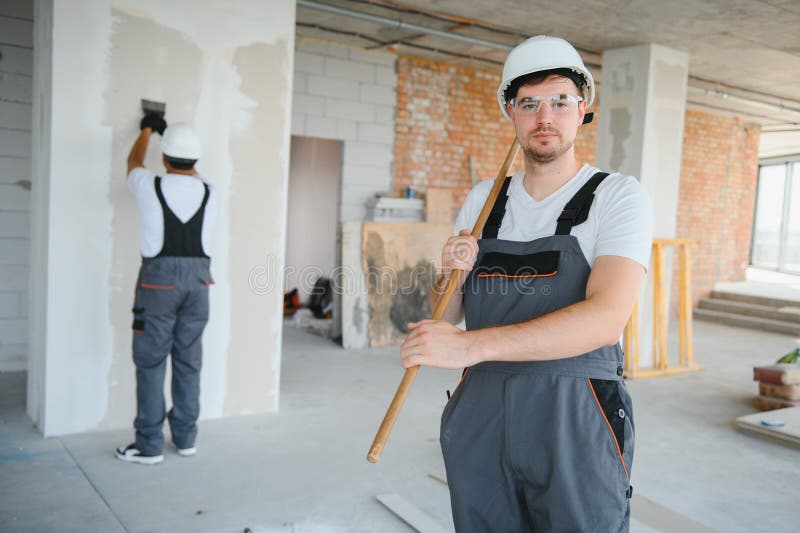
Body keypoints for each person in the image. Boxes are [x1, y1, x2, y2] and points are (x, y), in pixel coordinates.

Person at [400, 35, 653, 531]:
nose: (545, 117)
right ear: (511, 113)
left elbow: (606, 319)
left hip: (573, 416)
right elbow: (444, 315)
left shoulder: (616, 196)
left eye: (560, 101)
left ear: (583, 108)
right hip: (482, 413)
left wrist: (470, 346)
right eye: (529, 103)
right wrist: (451, 272)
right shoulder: (483, 200)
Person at [116, 112, 217, 465]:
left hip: (159, 284)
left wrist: (148, 129)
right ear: (197, 158)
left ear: (163, 157)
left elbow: (132, 162)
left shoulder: (149, 184)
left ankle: (148, 446)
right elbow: (192, 173)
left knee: (151, 362)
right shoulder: (210, 190)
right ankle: (186, 438)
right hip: (199, 285)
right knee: (189, 361)